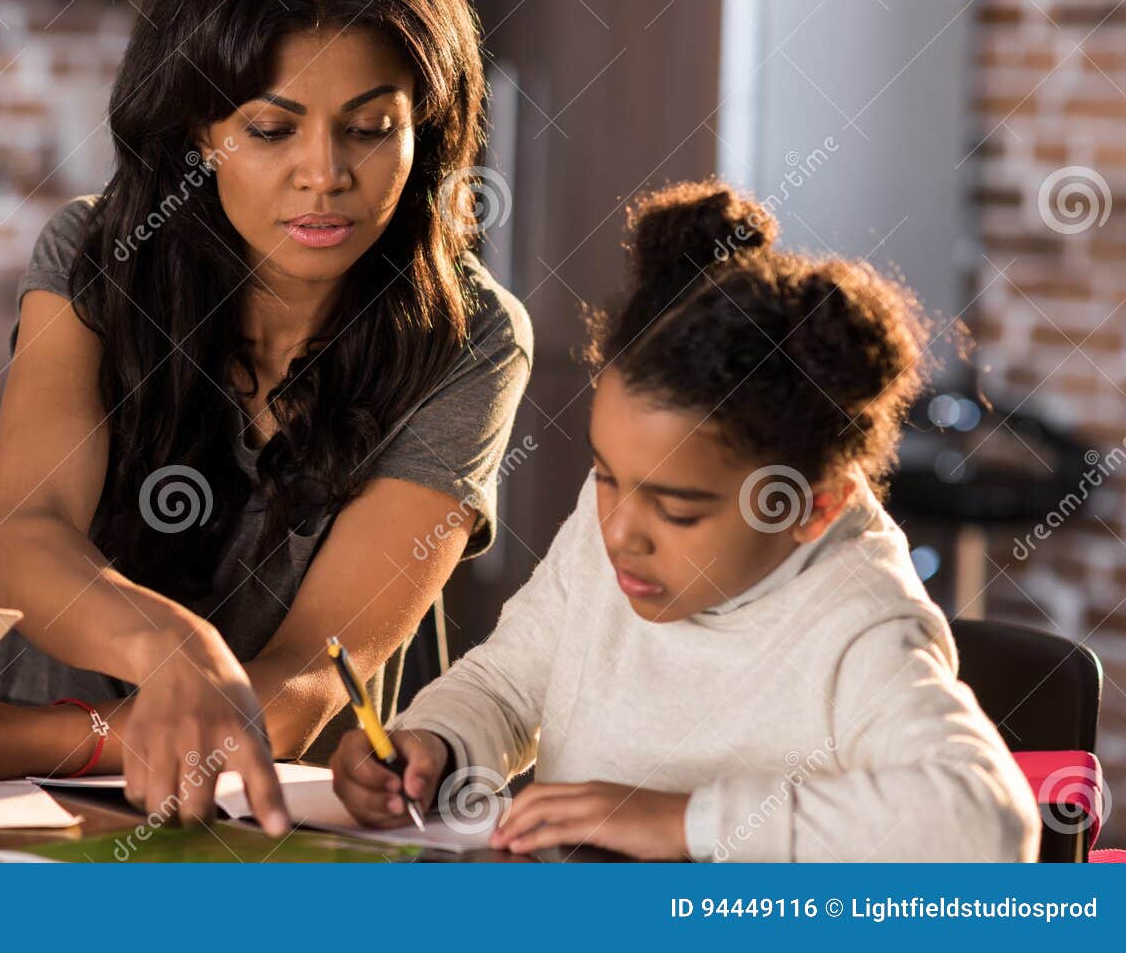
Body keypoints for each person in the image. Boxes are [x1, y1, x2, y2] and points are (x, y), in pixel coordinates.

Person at [0, 0, 531, 832]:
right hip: (28, 810)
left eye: (370, 129)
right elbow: (30, 539)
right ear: (197, 132)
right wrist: (174, 646)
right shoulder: (95, 256)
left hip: (275, 824)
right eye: (271, 130)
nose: (324, 174)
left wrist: (10, 736)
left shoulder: (470, 337)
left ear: (427, 130)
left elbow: (313, 677)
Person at [329, 180, 1039, 861]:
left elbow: (986, 823)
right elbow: (508, 685)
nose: (618, 532)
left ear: (812, 506)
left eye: (676, 510)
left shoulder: (859, 621)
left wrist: (683, 820)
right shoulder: (629, 517)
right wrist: (435, 742)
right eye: (605, 477)